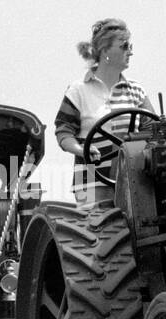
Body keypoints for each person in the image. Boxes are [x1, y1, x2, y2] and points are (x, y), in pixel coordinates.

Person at [53, 18, 156, 204]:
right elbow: (63, 132)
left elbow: (154, 131)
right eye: (124, 46)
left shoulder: (136, 90)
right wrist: (82, 150)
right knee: (96, 231)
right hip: (92, 184)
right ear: (104, 50)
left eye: (130, 45)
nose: (130, 52)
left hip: (134, 182)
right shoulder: (78, 90)